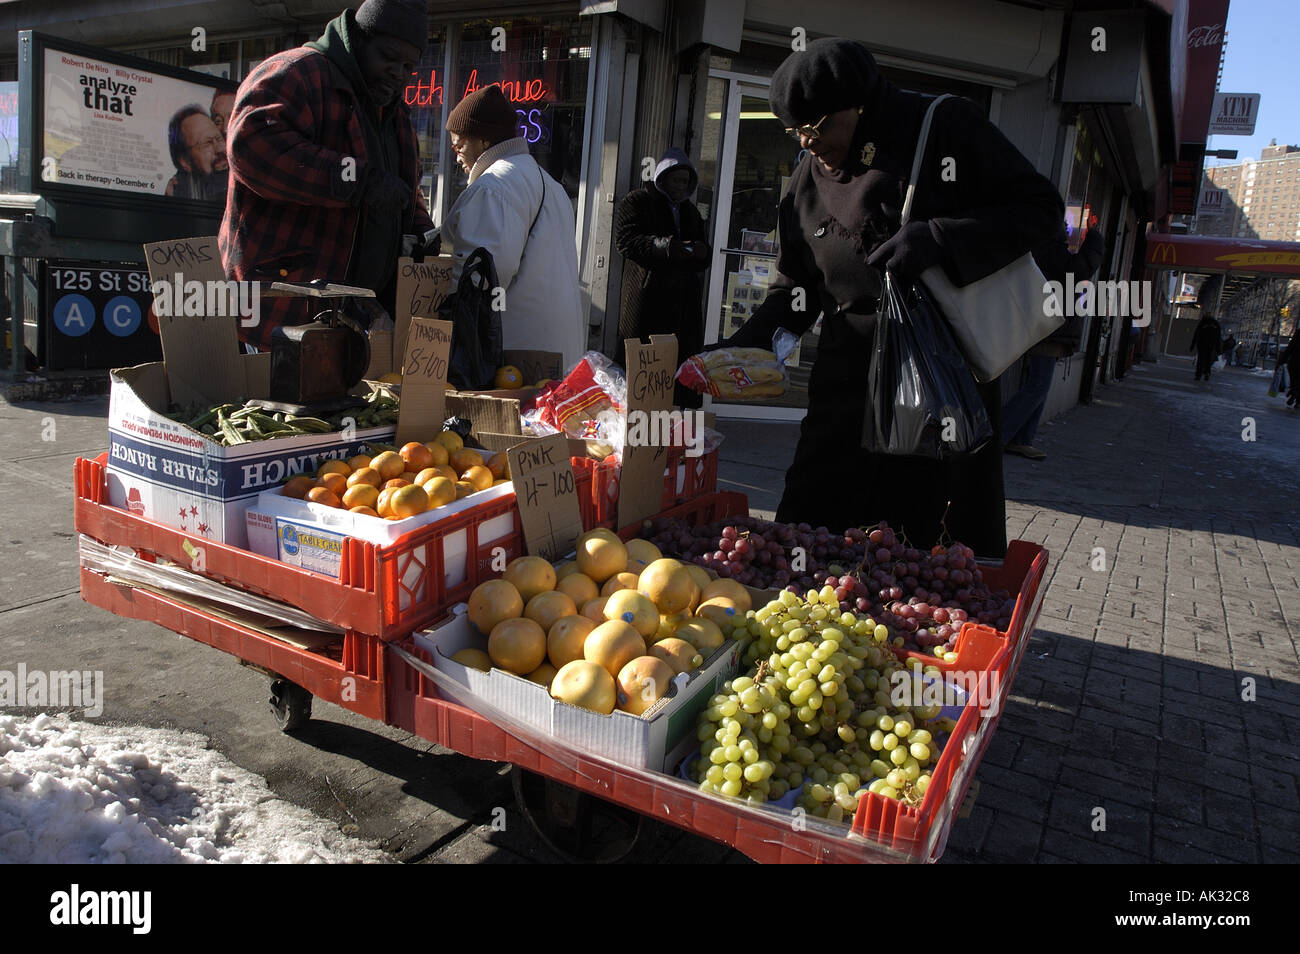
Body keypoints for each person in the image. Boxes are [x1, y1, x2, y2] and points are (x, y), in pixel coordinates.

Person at [717, 38, 1063, 557]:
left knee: (915, 551)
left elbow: (1040, 208)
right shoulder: (806, 179)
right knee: (809, 537)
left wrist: (940, 238)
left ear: (859, 103)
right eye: (796, 133)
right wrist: (737, 348)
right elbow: (796, 287)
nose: (808, 144)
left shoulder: (941, 126)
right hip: (844, 393)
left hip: (933, 386)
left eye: (818, 127)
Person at [220, 0, 434, 351]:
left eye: (409, 66)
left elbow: (404, 193)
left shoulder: (396, 114)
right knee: (273, 405)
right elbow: (252, 148)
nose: (399, 73)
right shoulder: (297, 73)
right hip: (279, 312)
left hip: (351, 319)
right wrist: (355, 181)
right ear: (359, 40)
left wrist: (422, 233)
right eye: (389, 57)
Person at [440, 84, 586, 371]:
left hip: (512, 357)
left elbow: (482, 279)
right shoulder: (548, 183)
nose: (456, 156)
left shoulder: (493, 187)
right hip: (554, 351)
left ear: (483, 141)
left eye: (459, 145)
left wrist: (437, 320)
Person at [615, 147, 712, 408]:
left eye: (685, 181)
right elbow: (626, 242)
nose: (681, 186)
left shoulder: (691, 212)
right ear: (662, 178)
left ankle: (672, 432)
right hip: (649, 300)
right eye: (675, 180)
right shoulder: (638, 201)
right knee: (645, 372)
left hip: (683, 305)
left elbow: (702, 255)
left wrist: (701, 252)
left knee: (679, 373)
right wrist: (666, 247)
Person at [1002, 217, 1104, 460]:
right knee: (1038, 385)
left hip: (1045, 327)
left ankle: (1020, 438)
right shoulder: (1050, 251)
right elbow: (1081, 268)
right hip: (1047, 329)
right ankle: (1002, 434)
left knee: (1039, 386)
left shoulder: (1043, 250)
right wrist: (1094, 237)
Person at [164, 105, 228, 201]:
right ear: (186, 162)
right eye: (207, 143)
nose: (219, 149)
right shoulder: (177, 194)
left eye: (219, 139)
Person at [1190, 310, 1222, 381]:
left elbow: (1196, 334)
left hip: (1202, 345)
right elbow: (1218, 337)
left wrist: (1193, 344)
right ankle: (1207, 372)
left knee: (1200, 360)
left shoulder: (1202, 323)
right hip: (1211, 345)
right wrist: (1218, 347)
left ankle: (1198, 375)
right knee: (1209, 360)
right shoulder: (1216, 324)